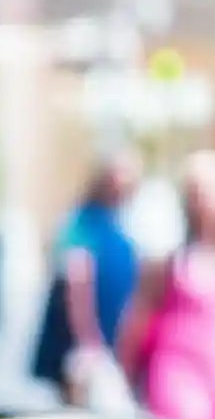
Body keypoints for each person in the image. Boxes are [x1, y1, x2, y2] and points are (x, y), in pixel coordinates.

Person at [118, 151, 215, 419]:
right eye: (196, 192)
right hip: (175, 373)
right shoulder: (169, 262)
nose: (204, 201)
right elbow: (136, 325)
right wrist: (125, 385)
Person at [32, 150, 141, 403]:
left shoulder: (118, 222)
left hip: (109, 340)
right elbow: (76, 283)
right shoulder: (82, 222)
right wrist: (88, 340)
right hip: (81, 344)